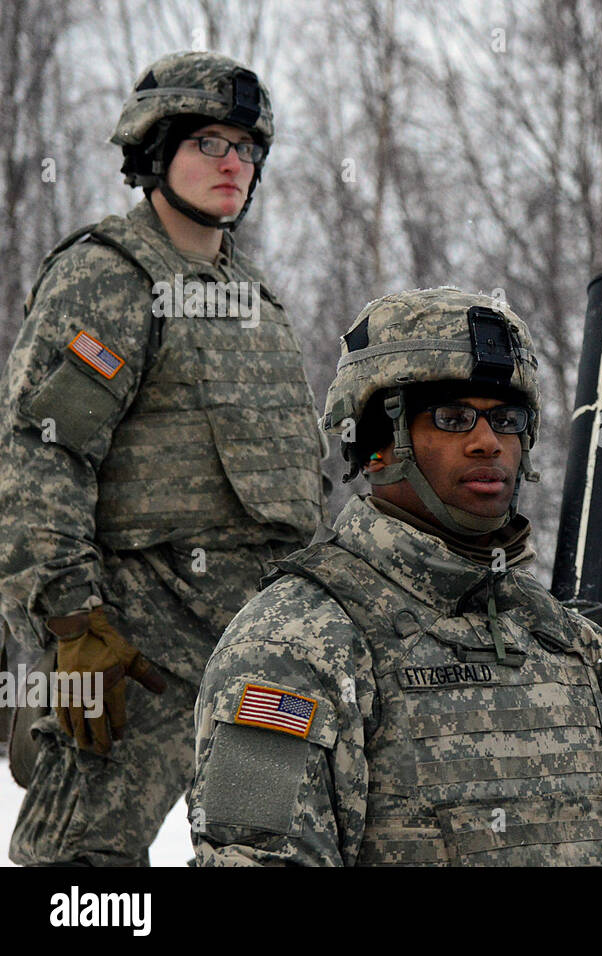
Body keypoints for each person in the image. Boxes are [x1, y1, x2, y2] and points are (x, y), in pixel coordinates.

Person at [189, 287, 602, 866]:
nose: (489, 443)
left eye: (506, 419)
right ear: (380, 444)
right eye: (453, 418)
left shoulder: (573, 645)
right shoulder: (289, 645)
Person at [0, 51, 327, 866]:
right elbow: (41, 458)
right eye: (209, 142)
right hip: (135, 654)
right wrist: (71, 624)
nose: (232, 164)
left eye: (247, 148)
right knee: (81, 880)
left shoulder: (256, 299)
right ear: (154, 152)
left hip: (261, 663)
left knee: (261, 855)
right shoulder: (108, 279)